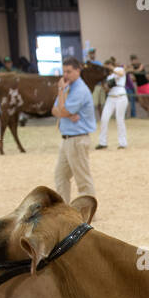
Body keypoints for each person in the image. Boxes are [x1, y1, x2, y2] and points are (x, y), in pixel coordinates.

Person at [52, 55, 97, 204]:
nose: (65, 75)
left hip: (77, 139)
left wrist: (64, 112)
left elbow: (62, 111)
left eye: (69, 71)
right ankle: (63, 209)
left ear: (78, 71)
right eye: (64, 71)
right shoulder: (67, 89)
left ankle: (89, 211)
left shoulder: (80, 90)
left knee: (82, 178)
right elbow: (55, 110)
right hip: (67, 139)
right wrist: (64, 112)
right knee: (60, 176)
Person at [97, 63, 129, 149]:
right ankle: (102, 142)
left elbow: (121, 74)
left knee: (119, 119)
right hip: (111, 97)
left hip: (121, 96)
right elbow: (107, 88)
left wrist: (112, 67)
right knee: (104, 118)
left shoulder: (119, 69)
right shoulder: (108, 76)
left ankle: (123, 143)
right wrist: (106, 87)